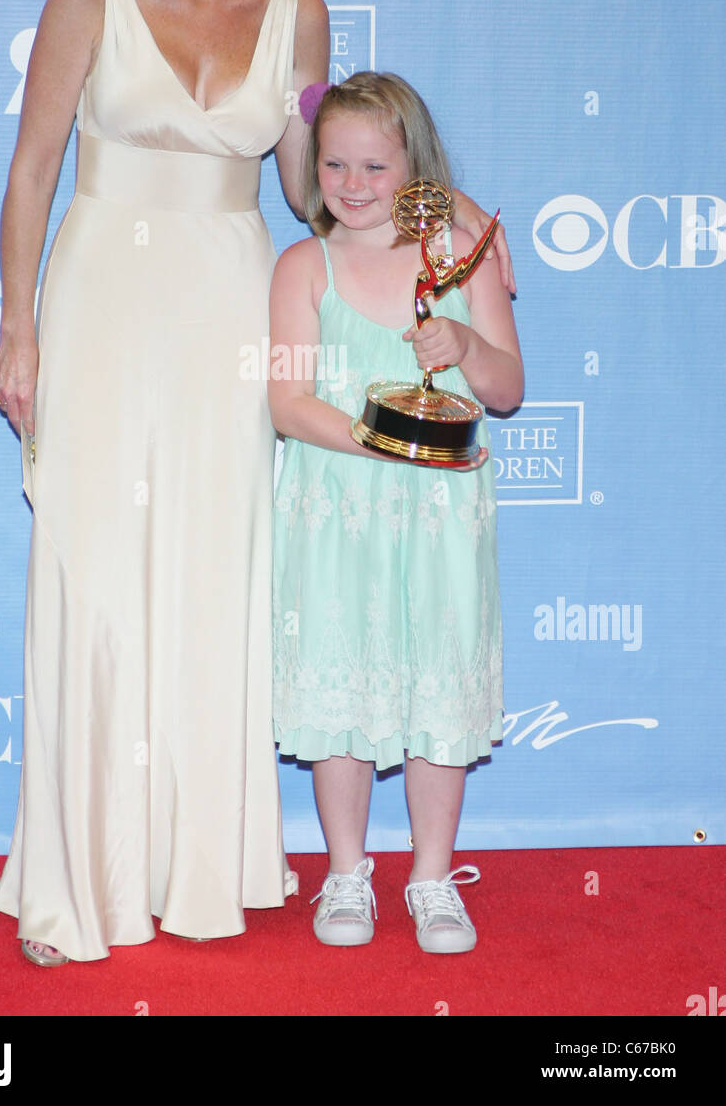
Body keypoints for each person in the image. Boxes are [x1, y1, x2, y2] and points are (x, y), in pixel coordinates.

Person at [0, 0, 330, 964]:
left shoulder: (303, 17)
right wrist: (18, 329)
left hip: (228, 299)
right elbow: (31, 171)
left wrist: (402, 216)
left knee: (206, 564)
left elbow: (302, 183)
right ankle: (78, 874)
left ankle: (200, 865)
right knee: (92, 566)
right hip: (101, 296)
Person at [269, 73, 523, 953]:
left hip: (438, 522)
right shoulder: (306, 265)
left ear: (416, 167)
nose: (352, 182)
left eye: (376, 164)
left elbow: (507, 389)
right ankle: (345, 872)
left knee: (437, 686)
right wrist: (390, 442)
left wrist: (468, 344)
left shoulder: (462, 257)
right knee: (341, 682)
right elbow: (287, 403)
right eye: (334, 162)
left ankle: (430, 874)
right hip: (334, 512)